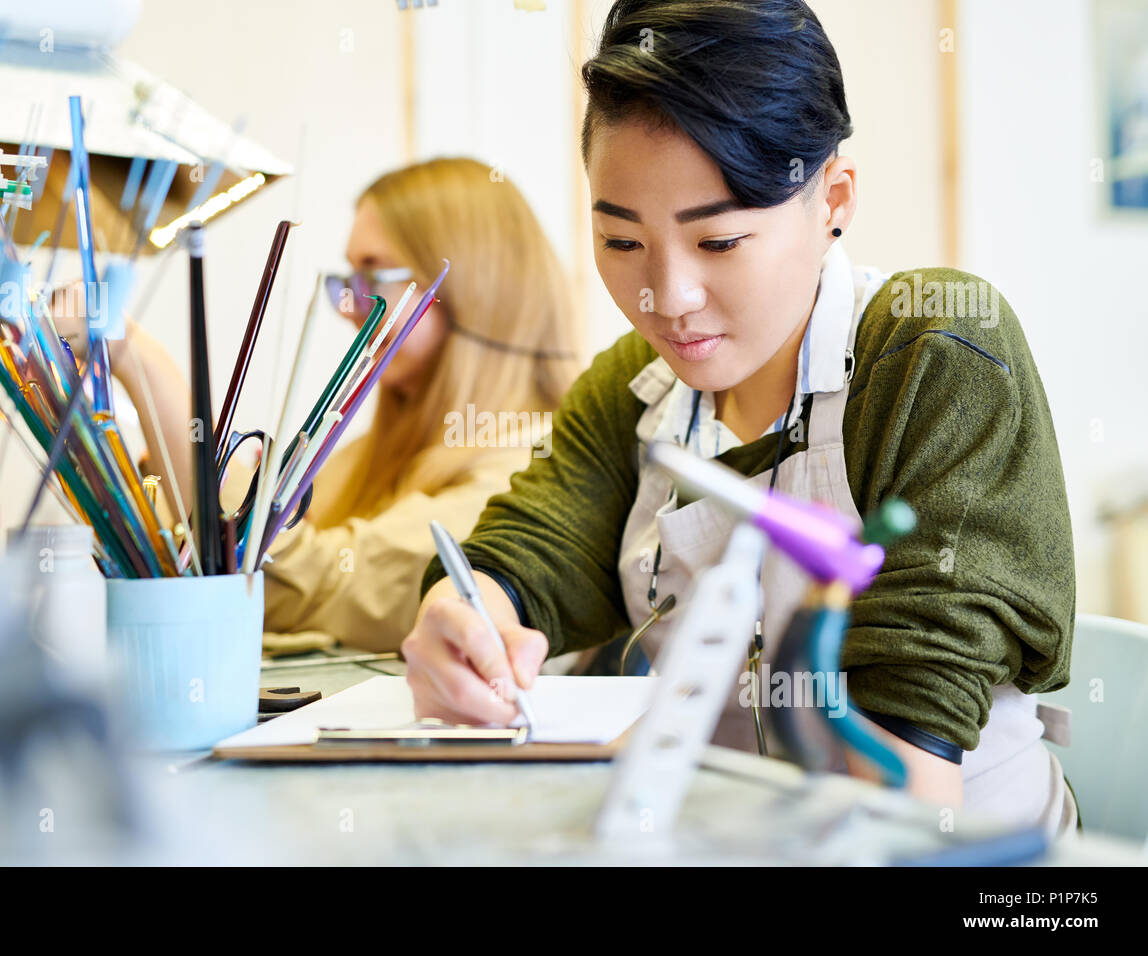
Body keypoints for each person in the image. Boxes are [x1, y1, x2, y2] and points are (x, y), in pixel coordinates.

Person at [402, 0, 1077, 835]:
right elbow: (537, 553)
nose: (667, 298)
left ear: (833, 196)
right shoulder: (633, 386)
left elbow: (910, 772)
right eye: (621, 244)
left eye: (718, 242)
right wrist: (470, 621)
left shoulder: (937, 349)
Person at [54, 157, 582, 651]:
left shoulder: (529, 472)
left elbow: (282, 574)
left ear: (477, 287)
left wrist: (140, 360)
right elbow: (209, 547)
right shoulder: (360, 459)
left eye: (373, 277)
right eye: (347, 281)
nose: (350, 307)